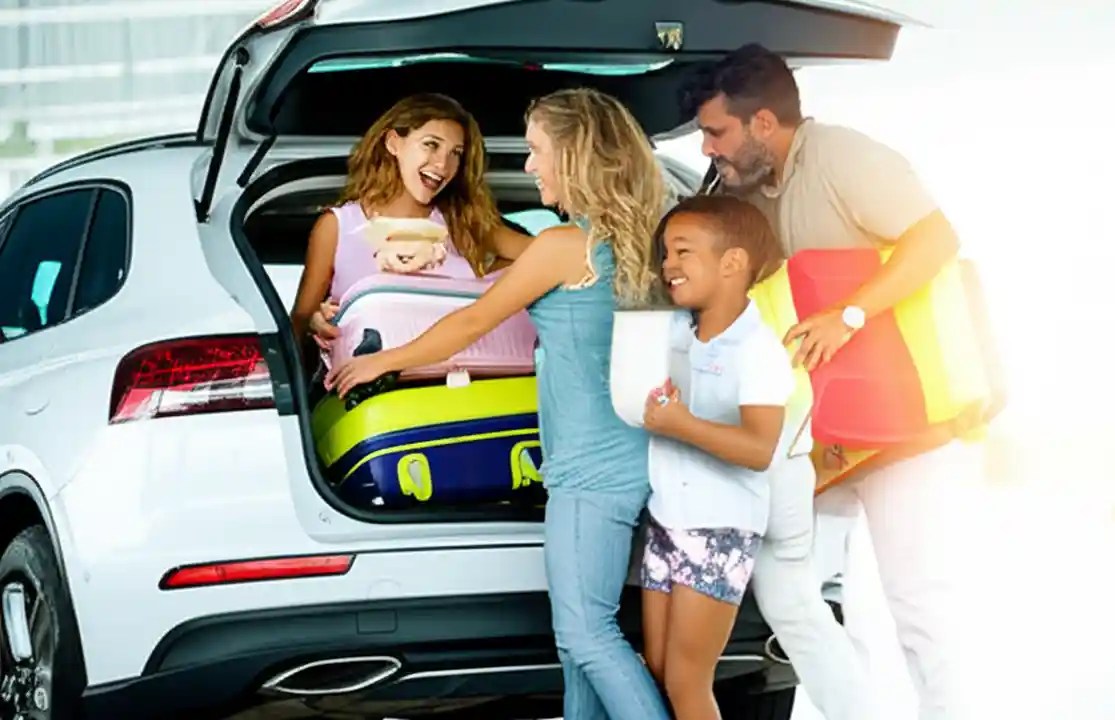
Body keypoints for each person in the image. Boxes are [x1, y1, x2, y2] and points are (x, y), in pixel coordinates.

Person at [326, 87, 671, 720]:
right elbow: (486, 262)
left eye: (538, 151)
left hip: (587, 474)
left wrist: (380, 359)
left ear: (573, 154)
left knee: (588, 637)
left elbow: (474, 320)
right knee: (578, 648)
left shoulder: (565, 246)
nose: (531, 166)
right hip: (643, 457)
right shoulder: (642, 239)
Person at [679, 43, 978, 719]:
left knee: (919, 605)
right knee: (794, 595)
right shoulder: (744, 188)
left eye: (716, 132)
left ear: (762, 124)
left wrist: (849, 314)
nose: (707, 149)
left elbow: (936, 238)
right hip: (820, 436)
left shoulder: (843, 157)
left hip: (902, 428)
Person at [640, 195, 792, 719]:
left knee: (688, 681)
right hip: (666, 520)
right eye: (665, 254)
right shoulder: (676, 336)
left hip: (719, 529)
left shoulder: (759, 350)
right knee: (657, 668)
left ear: (733, 264)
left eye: (683, 252)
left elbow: (758, 449)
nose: (668, 266)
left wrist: (683, 425)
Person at [289, 92, 531, 361]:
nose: (442, 164)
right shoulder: (337, 227)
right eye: (431, 144)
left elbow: (551, 258)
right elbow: (299, 326)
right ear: (394, 143)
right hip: (374, 395)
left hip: (467, 387)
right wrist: (316, 323)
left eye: (456, 153)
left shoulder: (465, 223)